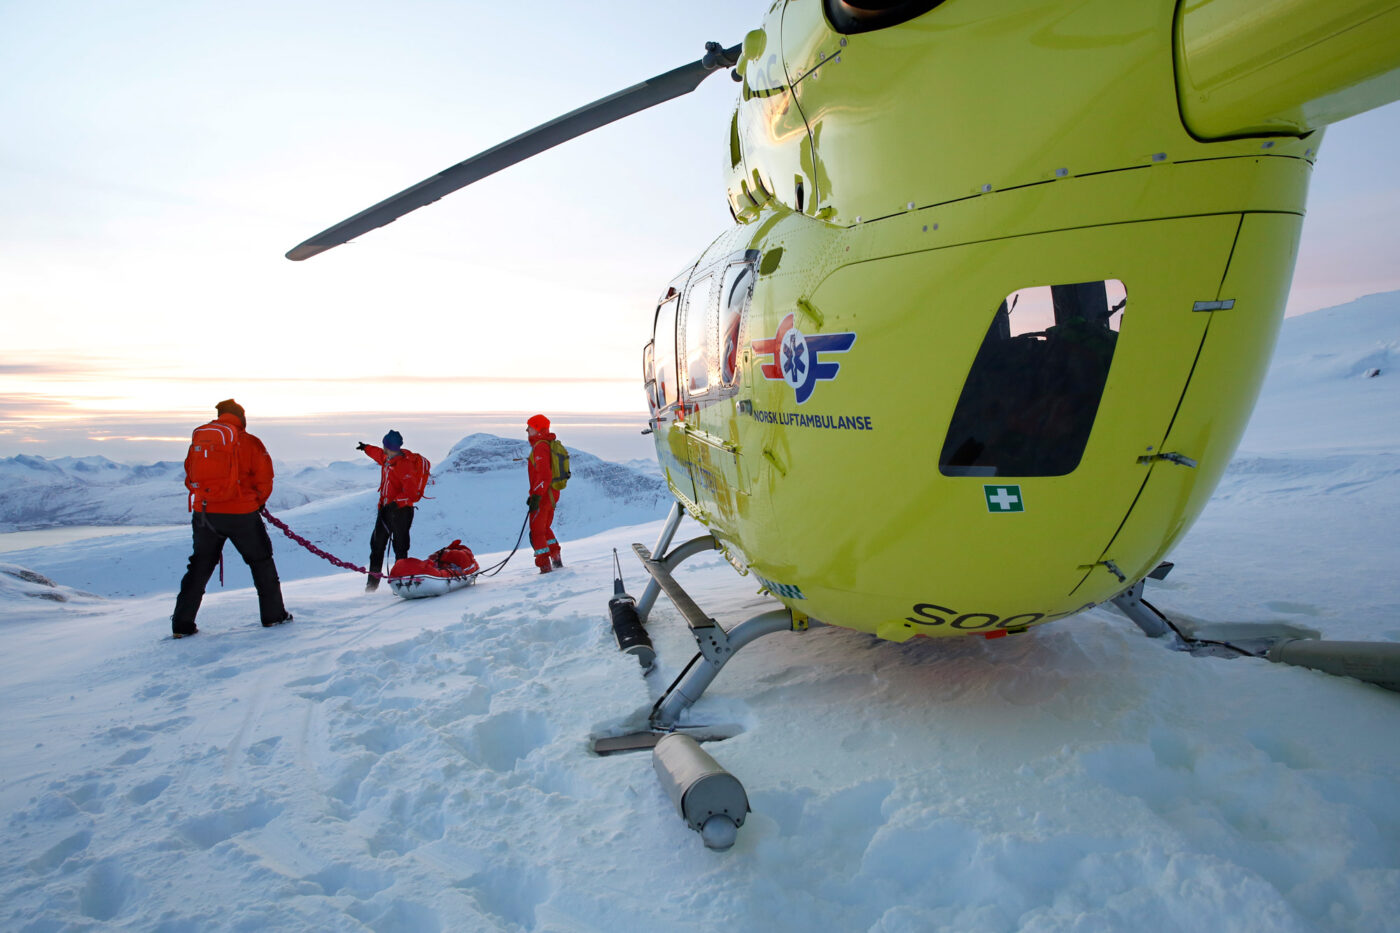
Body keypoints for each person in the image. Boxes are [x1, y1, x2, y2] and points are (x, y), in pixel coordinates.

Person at [171, 399, 292, 637]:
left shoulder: (201, 440)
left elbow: (189, 476)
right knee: (261, 562)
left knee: (199, 567)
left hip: (205, 513)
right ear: (241, 417)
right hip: (242, 514)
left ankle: (182, 625)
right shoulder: (250, 442)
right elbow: (265, 478)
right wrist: (254, 502)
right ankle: (273, 616)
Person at [358, 430, 425, 591]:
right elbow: (377, 454)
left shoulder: (404, 465)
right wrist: (366, 448)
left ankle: (400, 585)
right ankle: (371, 587)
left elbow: (411, 492)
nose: (383, 448)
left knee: (400, 549)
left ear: (389, 446)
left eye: (384, 445)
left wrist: (396, 503)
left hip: (401, 512)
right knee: (377, 547)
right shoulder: (387, 459)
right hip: (386, 511)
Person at [526, 414, 564, 573]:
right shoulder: (547, 444)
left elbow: (544, 475)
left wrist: (536, 496)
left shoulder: (540, 446)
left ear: (537, 428)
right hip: (551, 494)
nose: (527, 430)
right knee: (545, 528)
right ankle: (556, 559)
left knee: (537, 531)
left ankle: (544, 566)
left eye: (530, 427)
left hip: (543, 495)